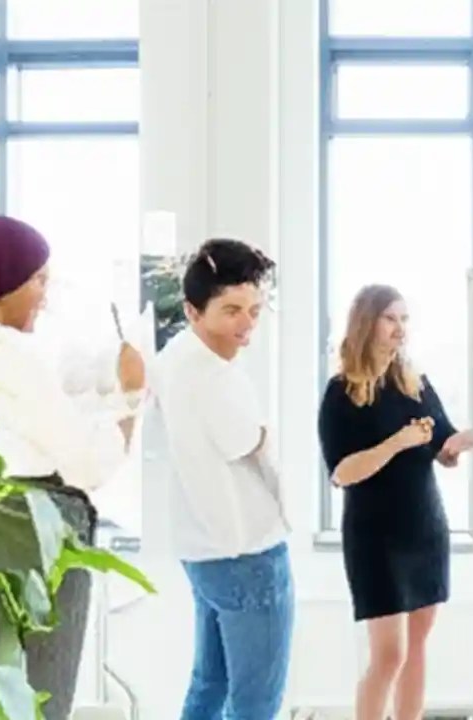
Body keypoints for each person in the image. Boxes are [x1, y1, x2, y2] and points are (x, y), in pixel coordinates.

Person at [0, 216, 145, 720]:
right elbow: (89, 461)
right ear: (1, 286)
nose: (45, 296)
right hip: (35, 538)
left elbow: (39, 413)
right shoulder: (9, 355)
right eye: (38, 280)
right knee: (42, 695)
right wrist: (131, 397)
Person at [317, 284, 473, 720]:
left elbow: (444, 444)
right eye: (391, 318)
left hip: (424, 527)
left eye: (404, 319)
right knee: (389, 655)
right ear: (367, 323)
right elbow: (342, 471)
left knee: (418, 646)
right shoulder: (341, 392)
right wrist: (399, 442)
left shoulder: (415, 382)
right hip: (376, 539)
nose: (399, 328)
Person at [151, 238, 292, 720]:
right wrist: (266, 434)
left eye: (254, 309)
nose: (247, 324)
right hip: (247, 551)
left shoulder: (174, 356)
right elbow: (246, 441)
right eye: (231, 310)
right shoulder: (214, 374)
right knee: (256, 701)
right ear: (193, 311)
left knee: (209, 685)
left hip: (203, 547)